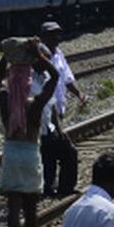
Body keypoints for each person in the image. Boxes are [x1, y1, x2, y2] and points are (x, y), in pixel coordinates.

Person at [0, 39, 59, 227]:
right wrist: (38, 57)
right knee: (31, 206)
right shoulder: (35, 103)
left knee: (13, 205)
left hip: (11, 152)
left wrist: (9, 57)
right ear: (28, 81)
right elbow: (55, 78)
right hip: (31, 152)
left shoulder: (5, 100)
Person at [38, 21, 87, 197]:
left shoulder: (58, 54)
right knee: (66, 152)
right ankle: (62, 188)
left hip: (58, 112)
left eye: (58, 33)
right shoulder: (39, 58)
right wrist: (57, 125)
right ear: (43, 36)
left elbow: (67, 78)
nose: (57, 37)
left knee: (49, 152)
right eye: (52, 34)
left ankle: (49, 187)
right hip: (47, 116)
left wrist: (78, 93)